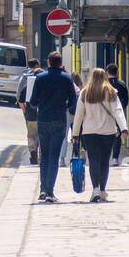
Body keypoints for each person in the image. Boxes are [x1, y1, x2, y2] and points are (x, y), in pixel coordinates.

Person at [72, 68, 128, 202]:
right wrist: (123, 128)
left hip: (89, 132)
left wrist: (75, 134)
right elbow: (118, 111)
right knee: (104, 161)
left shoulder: (85, 92)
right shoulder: (111, 92)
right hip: (108, 132)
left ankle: (95, 188)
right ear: (105, 77)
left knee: (94, 161)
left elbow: (78, 114)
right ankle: (102, 190)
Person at [30, 52, 78, 201]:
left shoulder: (40, 78)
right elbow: (72, 101)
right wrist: (65, 106)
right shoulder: (66, 78)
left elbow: (33, 101)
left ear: (49, 62)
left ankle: (43, 190)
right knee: (54, 156)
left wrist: (42, 104)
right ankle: (50, 191)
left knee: (44, 155)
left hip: (43, 120)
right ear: (60, 63)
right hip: (59, 120)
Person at [16, 58, 42, 165]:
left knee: (31, 135)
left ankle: (33, 152)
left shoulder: (28, 85)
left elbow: (20, 100)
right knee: (41, 136)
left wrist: (25, 111)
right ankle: (40, 155)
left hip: (30, 114)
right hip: (42, 115)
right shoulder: (45, 83)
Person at [106, 62, 129, 166]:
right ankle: (115, 158)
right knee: (118, 135)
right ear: (117, 73)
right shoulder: (122, 84)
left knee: (106, 134)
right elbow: (126, 99)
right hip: (119, 113)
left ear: (107, 73)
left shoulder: (104, 84)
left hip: (106, 114)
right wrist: (121, 108)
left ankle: (106, 157)